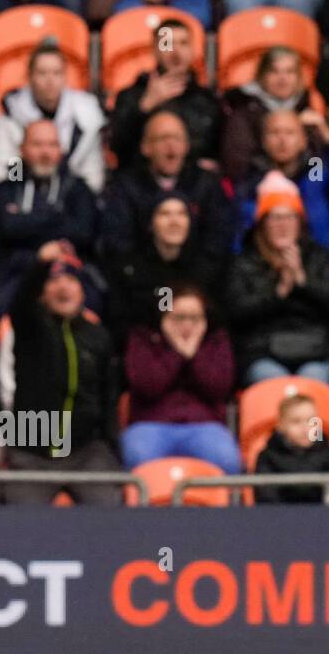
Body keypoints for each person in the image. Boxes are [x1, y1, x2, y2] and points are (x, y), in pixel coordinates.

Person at [3, 249, 120, 505]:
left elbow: (108, 396)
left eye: (70, 280)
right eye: (54, 281)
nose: (62, 287)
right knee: (20, 526)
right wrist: (41, 264)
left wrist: (112, 448)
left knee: (110, 515)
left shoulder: (98, 336)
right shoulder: (30, 327)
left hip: (86, 452)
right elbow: (20, 303)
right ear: (43, 293)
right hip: (31, 454)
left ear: (82, 291)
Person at [227, 172, 329, 389]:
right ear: (262, 224)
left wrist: (303, 281)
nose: (282, 225)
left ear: (299, 223)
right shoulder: (245, 261)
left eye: (289, 217)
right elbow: (235, 314)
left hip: (318, 352)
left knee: (313, 379)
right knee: (272, 381)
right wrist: (278, 292)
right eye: (274, 218)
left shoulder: (319, 257)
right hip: (263, 352)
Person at [235, 109, 329, 279]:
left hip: (324, 272)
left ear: (303, 141)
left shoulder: (315, 172)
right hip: (267, 277)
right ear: (264, 141)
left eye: (290, 133)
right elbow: (240, 240)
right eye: (274, 133)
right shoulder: (252, 183)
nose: (282, 141)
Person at [0, 120, 99, 319]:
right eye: (37, 145)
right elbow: (6, 228)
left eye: (52, 145)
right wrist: (57, 217)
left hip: (67, 268)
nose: (45, 153)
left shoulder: (78, 187)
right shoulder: (8, 187)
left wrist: (26, 221)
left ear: (61, 150)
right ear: (22, 149)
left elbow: (83, 233)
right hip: (18, 271)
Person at [120, 285, 239, 473]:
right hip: (151, 424)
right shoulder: (143, 339)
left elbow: (218, 388)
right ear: (164, 319)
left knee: (227, 459)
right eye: (179, 317)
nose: (187, 325)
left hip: (205, 425)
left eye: (194, 318)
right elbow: (147, 386)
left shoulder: (216, 341)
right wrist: (176, 352)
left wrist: (193, 355)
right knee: (138, 455)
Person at [101, 110, 232, 273]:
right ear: (145, 147)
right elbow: (118, 242)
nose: (171, 145)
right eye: (162, 138)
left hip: (196, 280)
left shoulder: (207, 183)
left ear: (187, 145)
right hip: (142, 280)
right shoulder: (125, 186)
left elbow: (218, 238)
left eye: (177, 138)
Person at [0, 40, 106, 192]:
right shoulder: (11, 118)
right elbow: (6, 172)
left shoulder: (86, 117)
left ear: (65, 77)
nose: (50, 81)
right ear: (29, 77)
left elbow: (92, 177)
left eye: (57, 73)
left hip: (70, 200)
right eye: (42, 73)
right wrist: (20, 196)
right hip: (24, 199)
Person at [108, 193, 220, 345]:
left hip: (199, 349)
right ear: (150, 223)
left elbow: (217, 321)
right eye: (165, 214)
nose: (175, 222)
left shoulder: (206, 267)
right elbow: (120, 320)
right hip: (147, 349)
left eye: (182, 214)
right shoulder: (130, 268)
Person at [110, 17, 221, 166]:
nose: (176, 52)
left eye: (183, 43)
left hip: (194, 183)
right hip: (142, 183)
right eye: (167, 44)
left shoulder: (208, 99)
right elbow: (118, 150)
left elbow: (218, 152)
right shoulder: (130, 96)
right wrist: (145, 106)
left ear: (193, 50)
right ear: (155, 50)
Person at [220, 46, 320, 186]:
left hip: (306, 189)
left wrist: (312, 186)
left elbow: (319, 165)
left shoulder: (309, 113)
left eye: (290, 72)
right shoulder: (243, 112)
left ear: (298, 77)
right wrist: (278, 182)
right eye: (274, 71)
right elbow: (237, 165)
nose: (282, 79)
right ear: (262, 75)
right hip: (258, 189)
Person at [252, 393, 329, 504]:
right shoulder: (267, 457)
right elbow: (266, 499)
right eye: (296, 421)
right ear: (281, 426)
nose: (305, 428)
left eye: (311, 421)